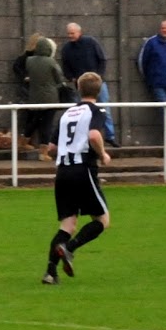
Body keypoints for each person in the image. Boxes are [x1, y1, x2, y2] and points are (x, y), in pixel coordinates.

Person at [40, 72, 112, 285]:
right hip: (83, 170)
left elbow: (51, 148)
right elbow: (93, 135)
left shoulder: (67, 114)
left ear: (78, 88)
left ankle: (50, 273)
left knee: (67, 225)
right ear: (99, 90)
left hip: (63, 172)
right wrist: (103, 154)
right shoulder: (97, 110)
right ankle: (69, 249)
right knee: (102, 221)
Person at [61, 23, 117, 146]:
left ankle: (110, 136)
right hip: (80, 86)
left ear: (79, 32)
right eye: (69, 33)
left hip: (98, 83)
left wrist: (99, 77)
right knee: (81, 112)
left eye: (72, 33)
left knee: (104, 108)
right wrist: (72, 78)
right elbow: (65, 67)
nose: (70, 36)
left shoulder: (91, 42)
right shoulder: (66, 49)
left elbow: (102, 59)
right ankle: (83, 138)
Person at [24, 36, 68, 161]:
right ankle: (43, 152)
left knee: (35, 120)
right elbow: (59, 78)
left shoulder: (29, 60)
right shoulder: (51, 62)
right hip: (50, 97)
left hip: (34, 96)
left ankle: (23, 141)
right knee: (47, 124)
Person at [137, 20, 166, 144]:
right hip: (157, 83)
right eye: (162, 28)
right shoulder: (151, 43)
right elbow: (142, 61)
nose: (164, 30)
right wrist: (149, 77)